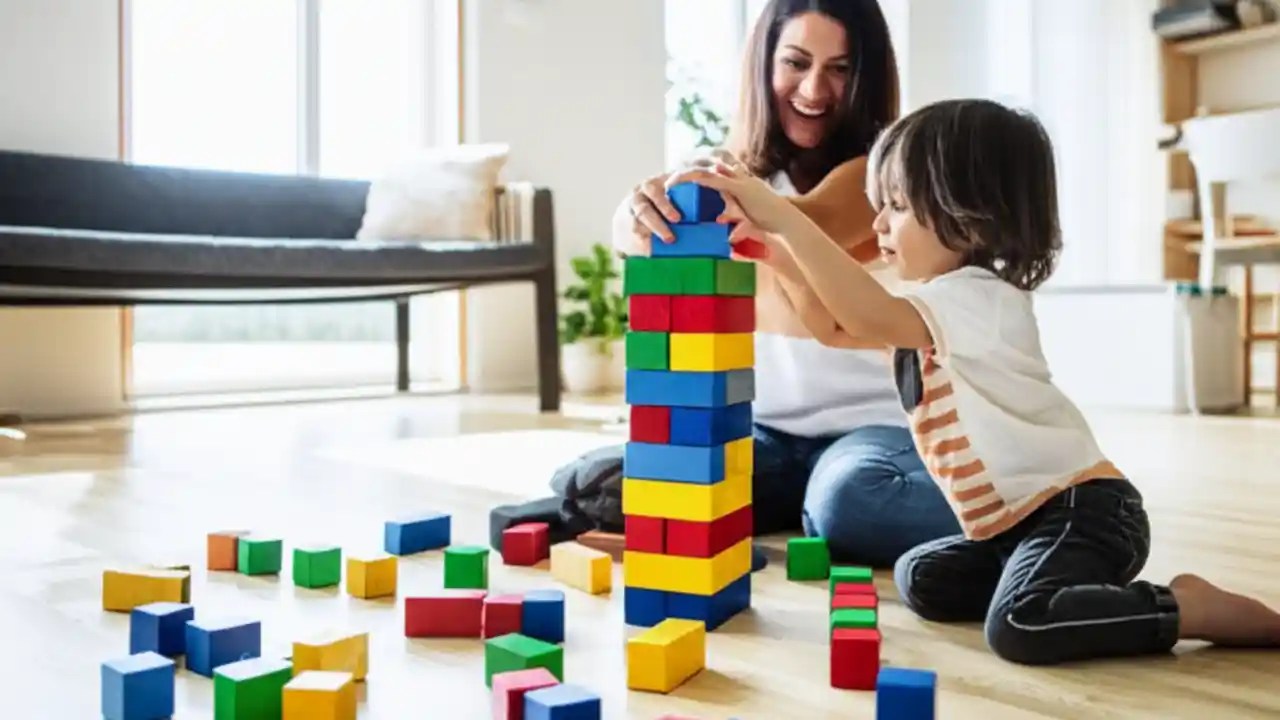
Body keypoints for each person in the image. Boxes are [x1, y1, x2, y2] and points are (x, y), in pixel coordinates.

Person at [668, 98, 1280, 664]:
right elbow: (832, 327)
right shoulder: (931, 303)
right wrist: (777, 254)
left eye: (899, 207)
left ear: (973, 219)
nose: (879, 225)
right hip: (1011, 524)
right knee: (922, 578)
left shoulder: (979, 300)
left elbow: (857, 311)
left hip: (1081, 511)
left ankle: (1183, 605)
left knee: (1020, 626)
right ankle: (1062, 579)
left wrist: (779, 215)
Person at [613, 0, 961, 567]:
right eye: (796, 62)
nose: (814, 89)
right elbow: (634, 238)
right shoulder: (736, 171)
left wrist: (700, 205)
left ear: (867, 77)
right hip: (764, 430)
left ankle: (1027, 519)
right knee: (615, 480)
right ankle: (794, 503)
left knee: (851, 500)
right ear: (764, 65)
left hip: (875, 433)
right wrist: (638, 211)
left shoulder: (883, 172)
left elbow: (806, 222)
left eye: (841, 69)